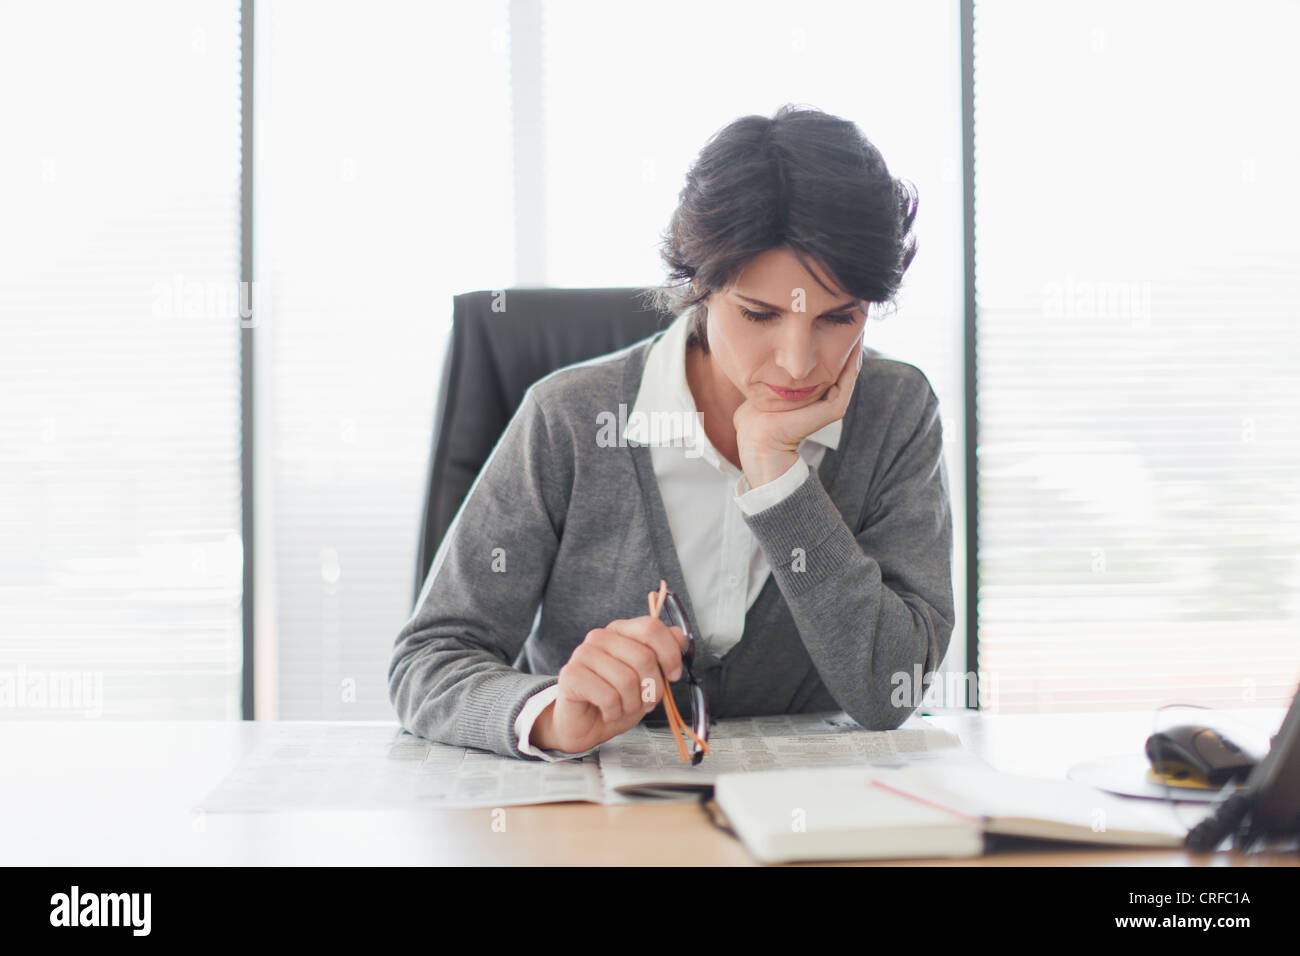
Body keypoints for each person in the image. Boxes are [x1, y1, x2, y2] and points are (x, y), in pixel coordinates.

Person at [388, 104, 954, 760]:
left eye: (838, 317)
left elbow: (889, 689)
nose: (799, 363)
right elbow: (428, 661)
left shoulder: (895, 413)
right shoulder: (570, 418)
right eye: (759, 314)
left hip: (809, 836)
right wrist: (550, 716)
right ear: (698, 287)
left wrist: (779, 478)